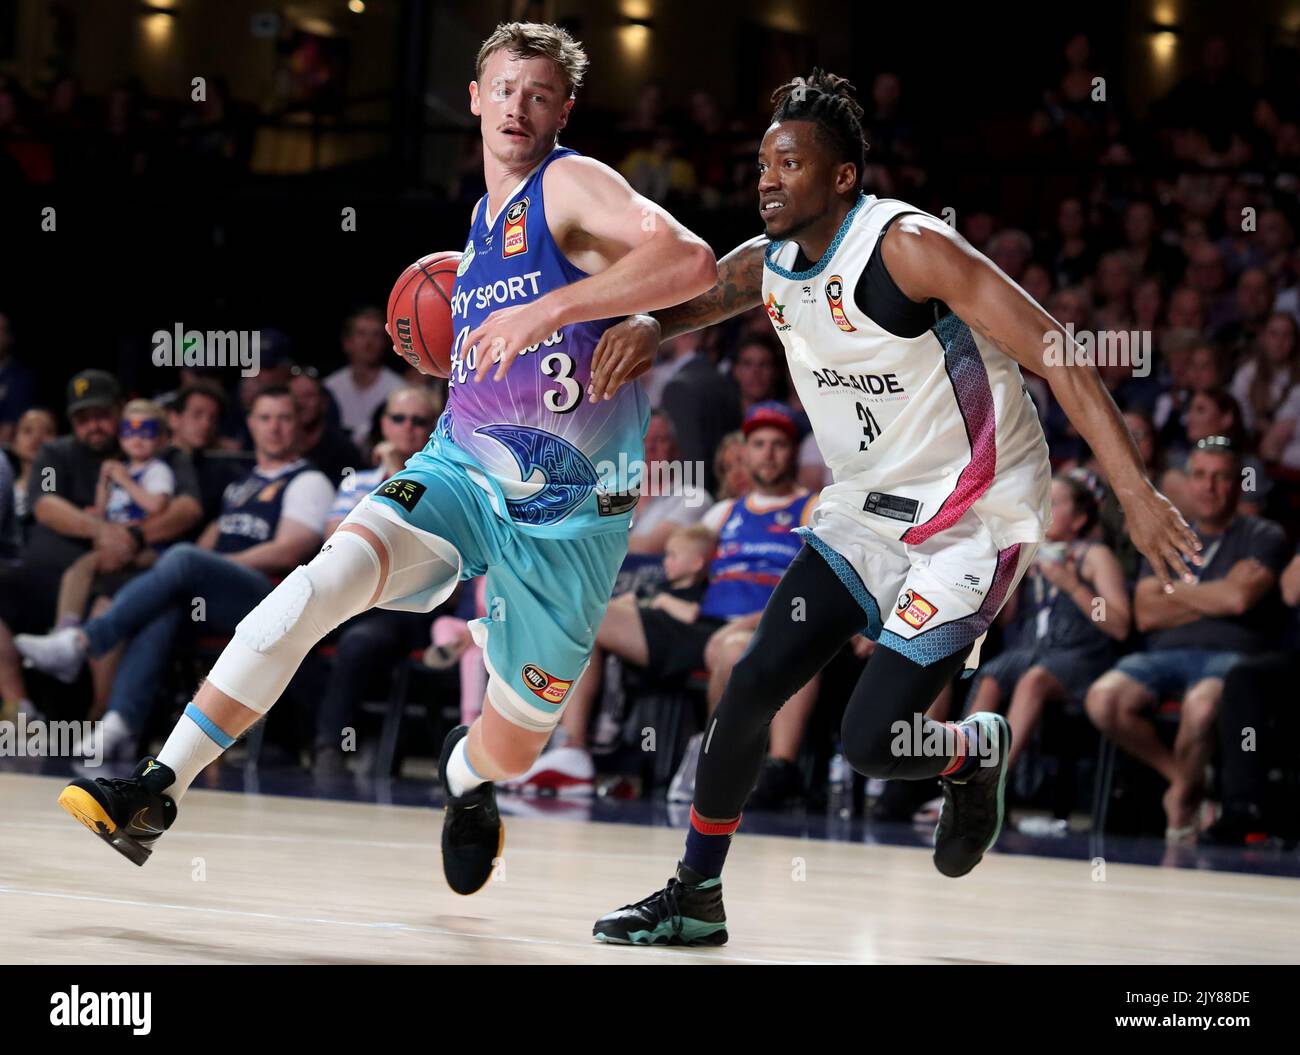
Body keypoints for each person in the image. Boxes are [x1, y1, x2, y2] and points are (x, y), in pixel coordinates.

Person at [55, 22, 717, 894]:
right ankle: (155, 788)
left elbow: (693, 259)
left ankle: (466, 777)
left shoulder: (571, 182)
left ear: (564, 111)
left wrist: (555, 311)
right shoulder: (478, 225)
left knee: (515, 742)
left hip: (568, 514)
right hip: (461, 470)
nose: (519, 107)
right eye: (505, 89)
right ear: (475, 99)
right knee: (323, 582)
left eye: (540, 94)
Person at [585, 69, 1196, 945]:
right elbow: (703, 297)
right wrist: (647, 325)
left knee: (870, 743)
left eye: (788, 163)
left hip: (973, 518)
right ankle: (694, 892)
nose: (765, 179)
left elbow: (1060, 350)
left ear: (841, 178)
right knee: (754, 680)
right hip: (864, 512)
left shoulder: (909, 246)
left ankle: (971, 749)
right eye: (761, 163)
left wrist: (1133, 494)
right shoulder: (770, 264)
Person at [19, 385, 334, 762]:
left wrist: (210, 568)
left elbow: (291, 548)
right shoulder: (241, 483)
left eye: (285, 418)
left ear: (300, 424)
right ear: (251, 424)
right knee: (165, 604)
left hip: (274, 600)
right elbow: (207, 544)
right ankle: (120, 722)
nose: (275, 428)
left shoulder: (308, 480)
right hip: (220, 599)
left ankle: (81, 643)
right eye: (266, 418)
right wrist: (189, 568)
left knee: (183, 557)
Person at [1085, 436, 1289, 839]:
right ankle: (1186, 782)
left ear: (1237, 483)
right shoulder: (1169, 533)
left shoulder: (1263, 535)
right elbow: (1144, 614)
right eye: (1199, 475)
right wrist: (1215, 593)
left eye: (1221, 477)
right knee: (1102, 699)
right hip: (1163, 655)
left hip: (1230, 658)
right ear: (1188, 481)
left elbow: (1238, 600)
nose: (1209, 487)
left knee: (1199, 708)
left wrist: (1173, 592)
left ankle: (1180, 814)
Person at [966, 470, 1130, 773]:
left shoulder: (1094, 556)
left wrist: (1074, 587)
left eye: (1052, 503)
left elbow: (1117, 623)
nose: (1042, 509)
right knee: (990, 675)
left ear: (1079, 519)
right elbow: (1007, 620)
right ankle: (964, 772)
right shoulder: (1033, 553)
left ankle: (992, 782)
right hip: (1031, 650)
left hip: (1080, 654)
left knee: (1033, 680)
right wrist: (1009, 576)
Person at [53, 399, 175, 631]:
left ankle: (67, 632)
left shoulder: (157, 470)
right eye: (129, 432)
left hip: (149, 549)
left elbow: (157, 506)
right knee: (79, 568)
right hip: (115, 543)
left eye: (146, 432)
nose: (137, 439)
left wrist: (125, 482)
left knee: (83, 568)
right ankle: (67, 629)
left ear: (161, 438)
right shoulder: (122, 469)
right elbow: (102, 514)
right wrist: (103, 484)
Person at [323, 309, 405, 450]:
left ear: (386, 343)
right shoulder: (330, 387)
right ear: (347, 342)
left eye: (376, 335)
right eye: (361, 334)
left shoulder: (399, 390)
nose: (369, 342)